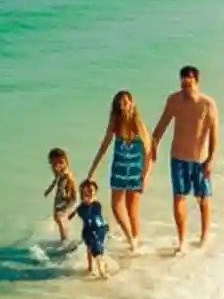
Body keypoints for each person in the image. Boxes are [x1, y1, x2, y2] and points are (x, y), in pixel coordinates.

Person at [151, 65, 219, 254]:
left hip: (200, 159)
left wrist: (211, 159)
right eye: (183, 80)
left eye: (189, 80)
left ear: (197, 81)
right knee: (179, 197)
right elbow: (161, 125)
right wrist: (152, 147)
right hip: (178, 158)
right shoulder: (174, 101)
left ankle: (204, 236)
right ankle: (182, 241)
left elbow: (214, 134)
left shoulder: (208, 104)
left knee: (202, 198)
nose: (185, 83)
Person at [85, 91, 153, 253]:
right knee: (116, 207)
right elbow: (103, 147)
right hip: (119, 170)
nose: (123, 106)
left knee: (132, 208)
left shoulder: (138, 124)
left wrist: (146, 176)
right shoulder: (115, 122)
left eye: (125, 103)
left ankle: (136, 241)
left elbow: (150, 153)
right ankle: (131, 239)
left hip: (135, 171)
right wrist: (91, 173)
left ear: (132, 104)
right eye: (119, 104)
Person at [69, 179, 111, 277]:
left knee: (98, 249)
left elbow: (90, 203)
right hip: (89, 231)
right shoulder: (81, 207)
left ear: (95, 192)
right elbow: (80, 208)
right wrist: (72, 213)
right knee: (91, 249)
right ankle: (93, 268)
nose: (90, 194)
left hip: (100, 229)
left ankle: (101, 270)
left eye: (92, 191)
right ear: (83, 194)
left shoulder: (96, 204)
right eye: (87, 192)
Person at [43, 148, 78, 242]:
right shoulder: (59, 172)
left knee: (59, 216)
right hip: (60, 197)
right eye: (54, 164)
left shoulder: (68, 174)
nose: (57, 166)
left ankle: (65, 239)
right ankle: (65, 235)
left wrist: (67, 196)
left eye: (60, 163)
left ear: (66, 162)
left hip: (68, 197)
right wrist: (49, 190)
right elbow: (55, 181)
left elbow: (71, 187)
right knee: (58, 217)